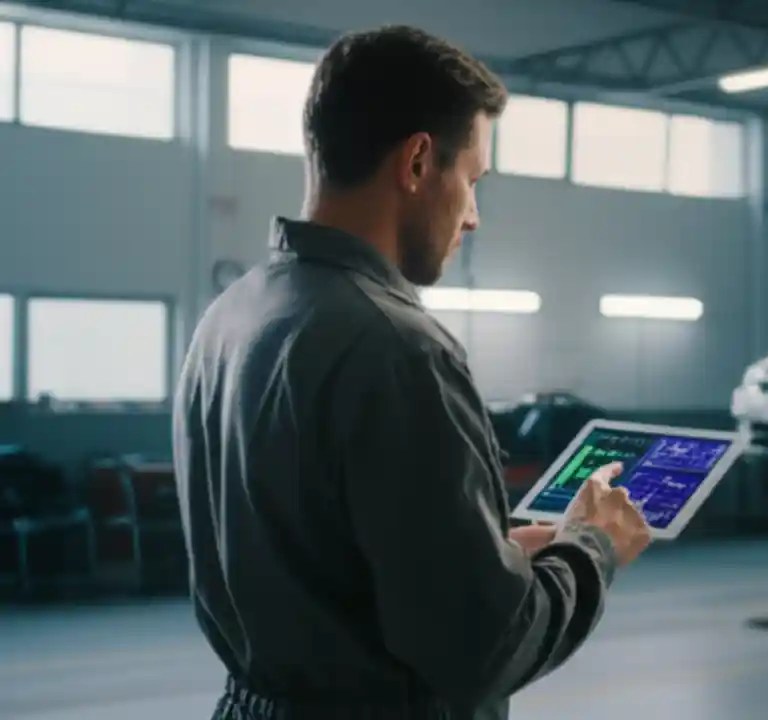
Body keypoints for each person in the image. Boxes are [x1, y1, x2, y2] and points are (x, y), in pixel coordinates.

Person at [172, 25, 652, 720]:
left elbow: (329, 559)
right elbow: (484, 648)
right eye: (473, 180)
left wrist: (488, 553)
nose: (474, 217)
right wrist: (593, 546)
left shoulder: (229, 318)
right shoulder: (396, 348)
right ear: (420, 162)